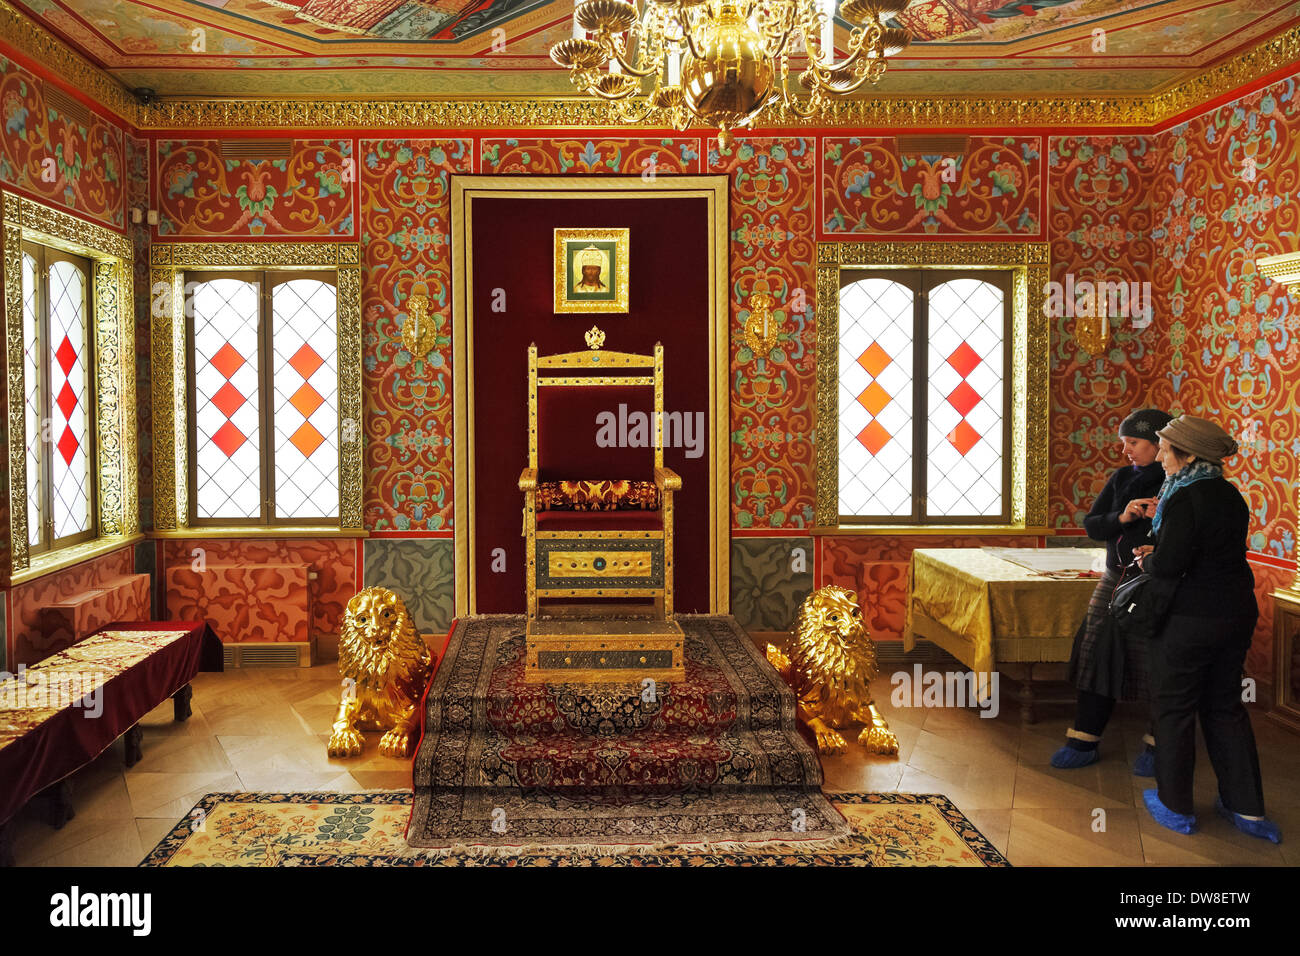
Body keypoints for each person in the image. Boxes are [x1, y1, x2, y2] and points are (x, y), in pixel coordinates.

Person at [1135, 415, 1281, 843]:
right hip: (1235, 614)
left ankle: (1176, 806)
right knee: (1225, 708)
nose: (1160, 456)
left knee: (1175, 709)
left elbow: (1172, 564)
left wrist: (1149, 558)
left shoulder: (1184, 497)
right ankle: (1247, 809)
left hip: (1189, 619)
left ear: (1190, 453)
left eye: (1165, 448)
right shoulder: (1230, 494)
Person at [1051, 408, 1171, 771]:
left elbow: (1188, 542)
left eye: (1133, 443)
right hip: (1112, 578)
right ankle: (1084, 738)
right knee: (1094, 651)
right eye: (1124, 443)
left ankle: (1159, 745)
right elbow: (1092, 524)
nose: (1126, 451)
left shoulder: (1177, 482)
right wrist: (1123, 517)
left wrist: (1158, 520)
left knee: (1155, 661)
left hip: (1155, 583)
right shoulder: (1121, 478)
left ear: (1157, 444)